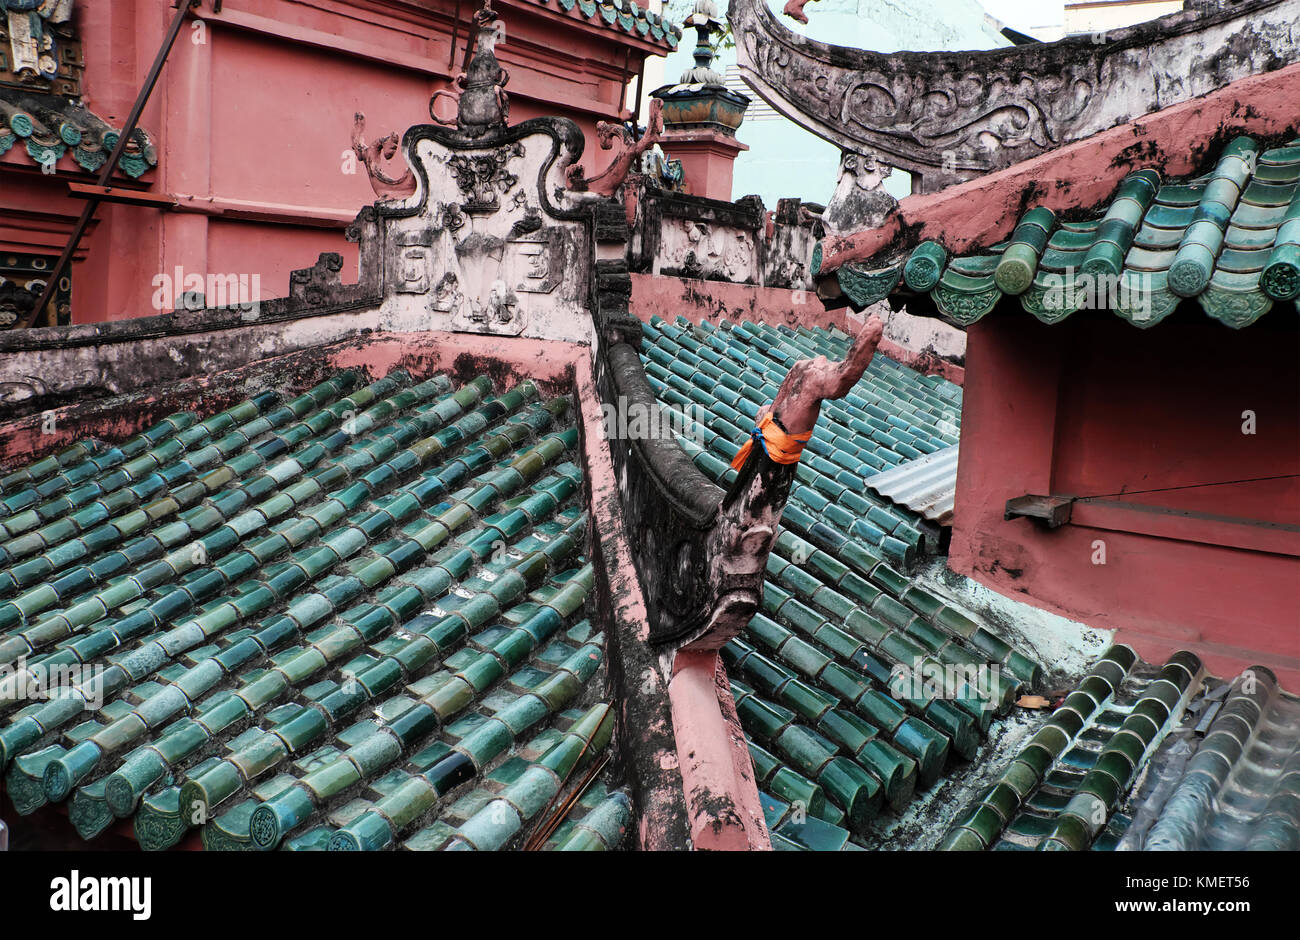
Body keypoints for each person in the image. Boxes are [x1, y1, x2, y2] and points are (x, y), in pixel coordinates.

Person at [724, 313, 885, 510]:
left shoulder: (801, 366)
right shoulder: (812, 376)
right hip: (775, 450)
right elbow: (844, 377)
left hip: (772, 438)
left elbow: (767, 410)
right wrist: (872, 330)